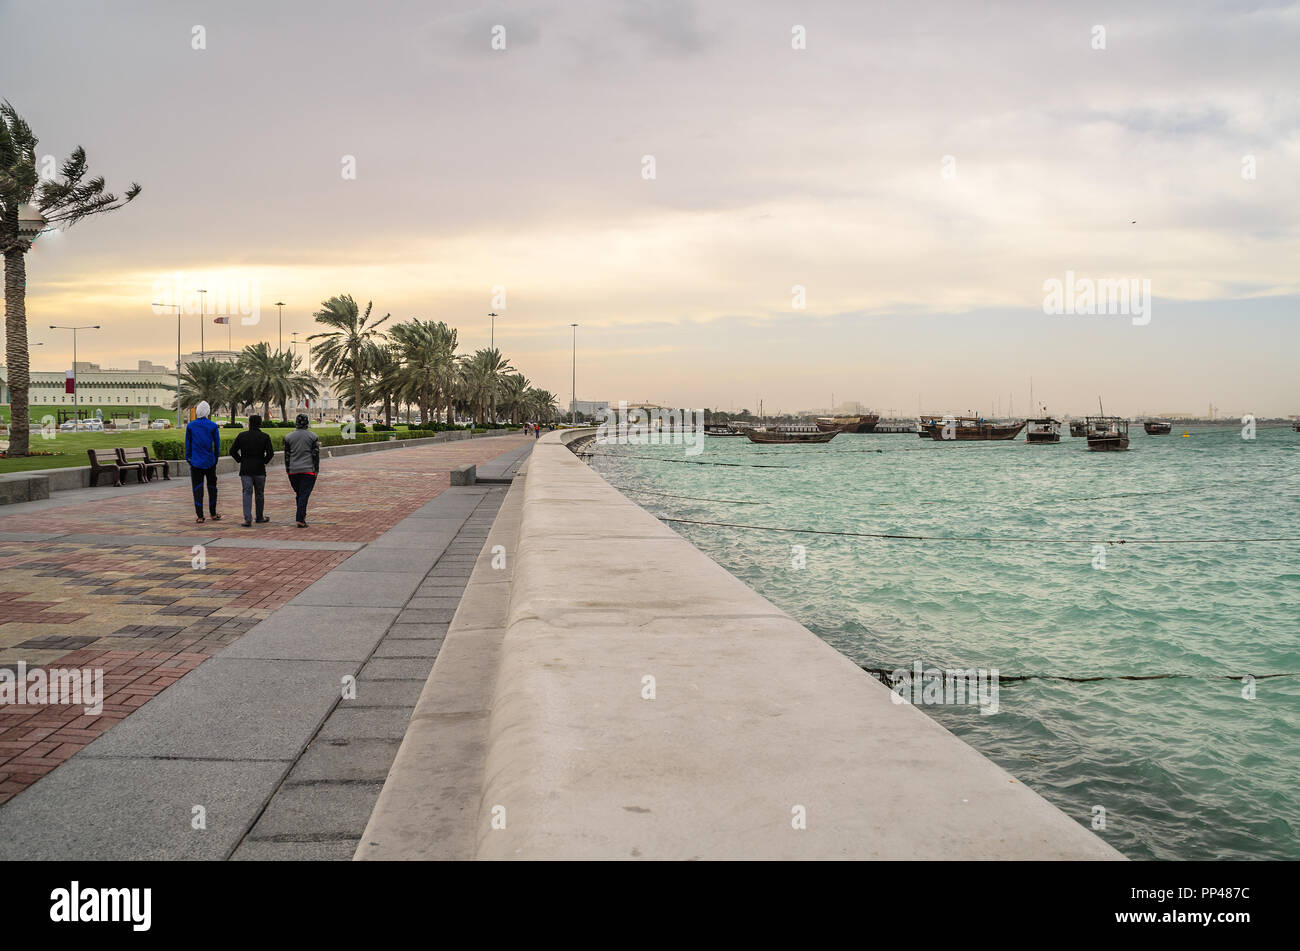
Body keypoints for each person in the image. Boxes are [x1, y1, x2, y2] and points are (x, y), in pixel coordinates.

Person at [230, 414, 275, 527]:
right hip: (260, 469)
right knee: (259, 494)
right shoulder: (265, 436)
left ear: (249, 423)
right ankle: (259, 517)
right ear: (260, 424)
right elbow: (270, 453)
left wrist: (240, 460)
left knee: (247, 493)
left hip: (246, 469)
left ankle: (247, 519)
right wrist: (264, 461)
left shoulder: (242, 436)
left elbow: (232, 451)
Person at [184, 400, 222, 523]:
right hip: (210, 462)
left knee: (197, 489)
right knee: (212, 488)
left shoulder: (190, 426)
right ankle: (213, 513)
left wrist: (188, 458)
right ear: (208, 412)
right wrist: (215, 458)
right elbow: (217, 444)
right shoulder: (212, 426)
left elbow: (188, 444)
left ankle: (200, 516)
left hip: (195, 462)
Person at [283, 413, 320, 528]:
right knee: (304, 495)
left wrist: (288, 470)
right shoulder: (313, 436)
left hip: (293, 470)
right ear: (307, 423)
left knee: (299, 494)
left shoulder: (288, 437)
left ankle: (301, 516)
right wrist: (316, 470)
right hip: (308, 470)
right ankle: (300, 519)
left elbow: (287, 456)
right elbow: (315, 455)